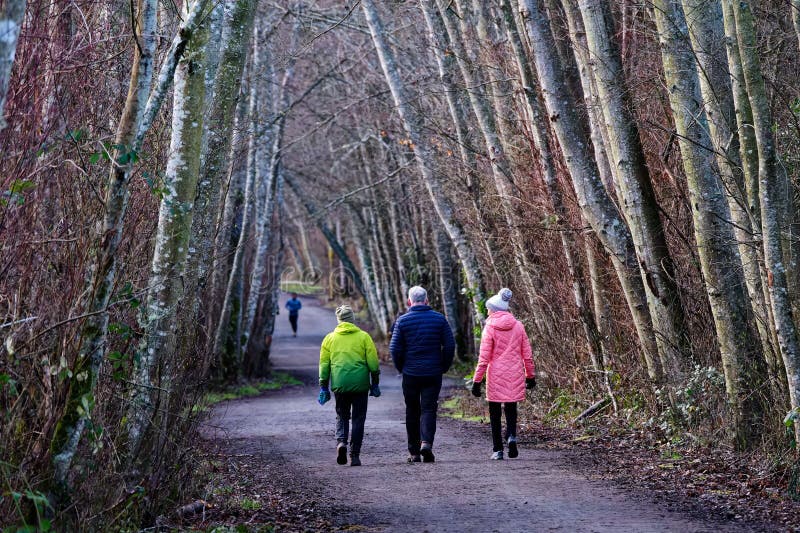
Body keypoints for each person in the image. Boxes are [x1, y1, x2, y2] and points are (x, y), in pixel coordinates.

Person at [390, 285, 455, 463]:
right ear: (427, 300)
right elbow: (449, 345)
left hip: (410, 373)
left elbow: (394, 348)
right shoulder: (439, 319)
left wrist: (400, 367)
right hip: (433, 372)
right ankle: (426, 443)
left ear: (409, 301)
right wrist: (444, 365)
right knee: (429, 408)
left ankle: (414, 452)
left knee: (412, 410)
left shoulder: (402, 321)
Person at [471, 288, 536, 460]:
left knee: (494, 413)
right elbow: (527, 355)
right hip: (515, 372)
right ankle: (512, 436)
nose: (487, 311)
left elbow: (484, 358)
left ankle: (498, 449)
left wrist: (477, 381)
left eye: (488, 308)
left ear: (494, 309)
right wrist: (530, 375)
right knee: (511, 408)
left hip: (495, 374)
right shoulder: (519, 326)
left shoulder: (489, 328)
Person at [318, 305, 381, 466]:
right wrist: (375, 382)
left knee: (342, 415)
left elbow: (324, 365)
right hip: (360, 385)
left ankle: (341, 443)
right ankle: (355, 455)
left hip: (340, 384)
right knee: (359, 418)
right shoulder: (364, 337)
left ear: (338, 320)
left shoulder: (329, 338)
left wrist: (323, 385)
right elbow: (373, 362)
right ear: (352, 319)